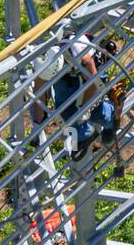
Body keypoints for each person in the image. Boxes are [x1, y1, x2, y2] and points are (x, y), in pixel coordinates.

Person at [32, 33, 117, 161]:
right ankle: (85, 135)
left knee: (96, 111)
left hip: (90, 72)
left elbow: (93, 83)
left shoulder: (82, 56)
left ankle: (112, 120)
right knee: (66, 113)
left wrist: (84, 108)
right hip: (67, 77)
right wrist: (38, 124)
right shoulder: (44, 63)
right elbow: (39, 93)